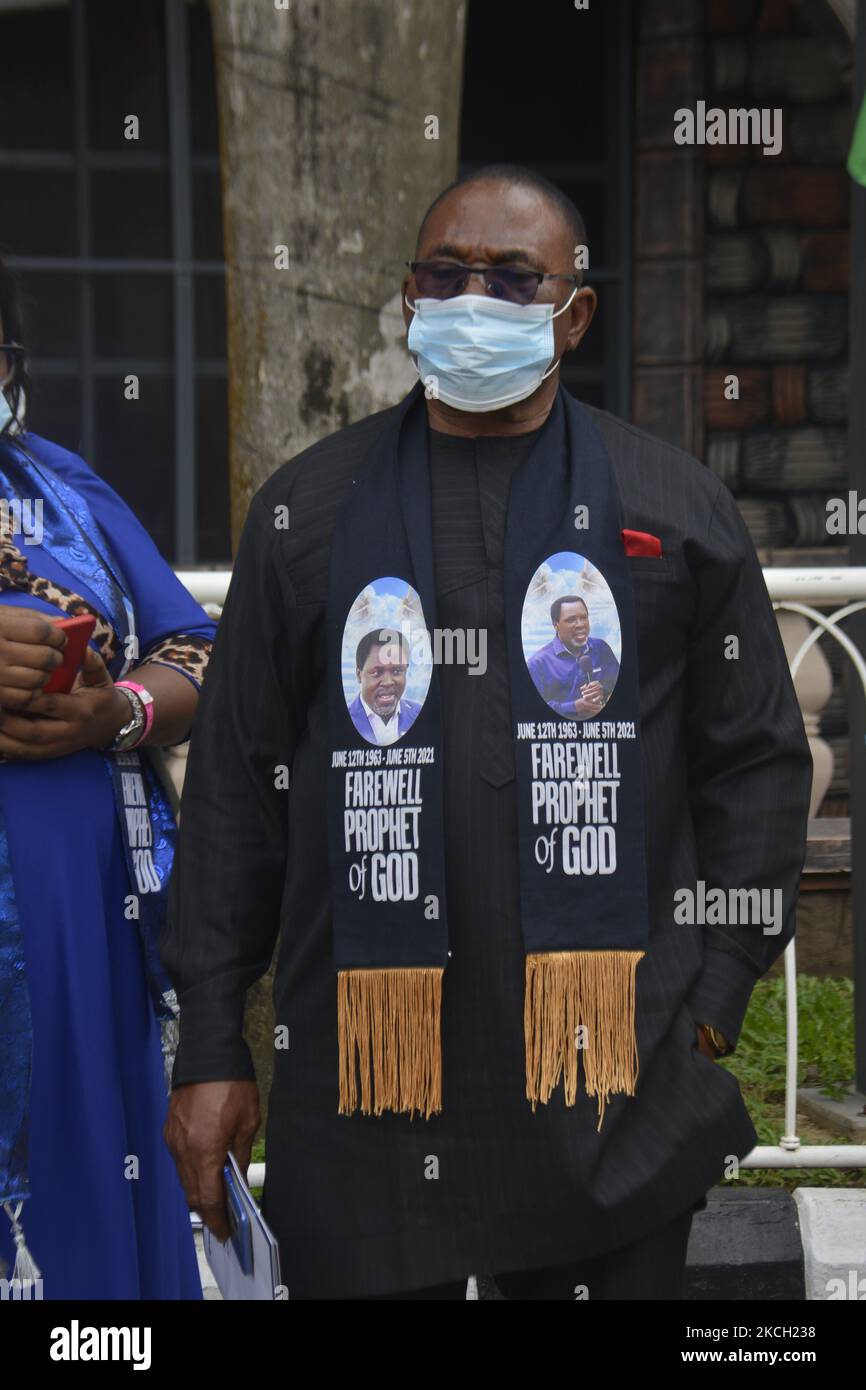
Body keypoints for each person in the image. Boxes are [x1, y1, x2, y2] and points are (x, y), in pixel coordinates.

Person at [162, 164, 812, 1300]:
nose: (472, 298)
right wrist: (212, 1045)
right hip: (367, 1093)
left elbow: (755, 765)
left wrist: (711, 1004)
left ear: (576, 310)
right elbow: (231, 800)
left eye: (513, 276)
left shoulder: (667, 505)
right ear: (409, 297)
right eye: (443, 273)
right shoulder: (304, 513)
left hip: (609, 1089)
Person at [0, 255, 215, 1299]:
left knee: (88, 1211)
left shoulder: (61, 486)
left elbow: (192, 650)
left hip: (84, 930)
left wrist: (113, 710)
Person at [527, 594, 619, 717]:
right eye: (571, 620)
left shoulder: (601, 648)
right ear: (555, 625)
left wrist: (602, 689)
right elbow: (533, 708)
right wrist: (574, 707)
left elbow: (618, 682)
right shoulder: (537, 663)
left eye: (583, 617)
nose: (580, 624)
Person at [348, 628, 422, 744]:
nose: (388, 682)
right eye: (377, 673)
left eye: (397, 671)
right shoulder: (342, 720)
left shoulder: (421, 715)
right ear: (359, 675)